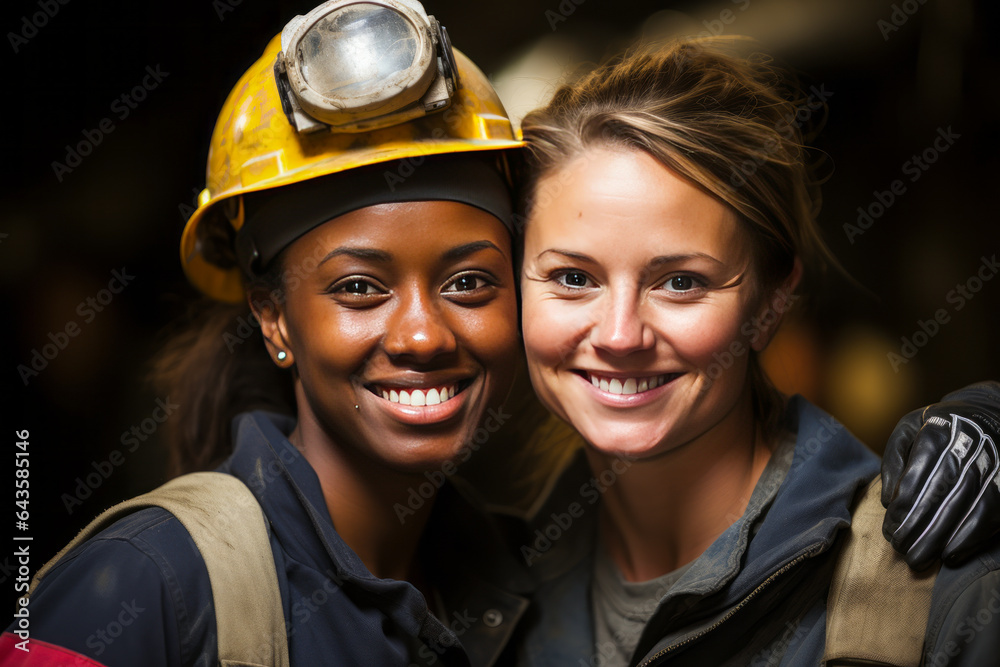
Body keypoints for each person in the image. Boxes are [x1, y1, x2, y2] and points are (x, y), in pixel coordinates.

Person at [2, 10, 997, 667]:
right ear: (271, 315)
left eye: (469, 279)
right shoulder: (147, 583)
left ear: (774, 299)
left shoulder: (491, 589)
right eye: (356, 287)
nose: (424, 331)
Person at [510, 36, 1000, 666]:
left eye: (681, 282)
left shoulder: (935, 595)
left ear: (770, 304)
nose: (619, 335)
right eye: (573, 278)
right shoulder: (492, 603)